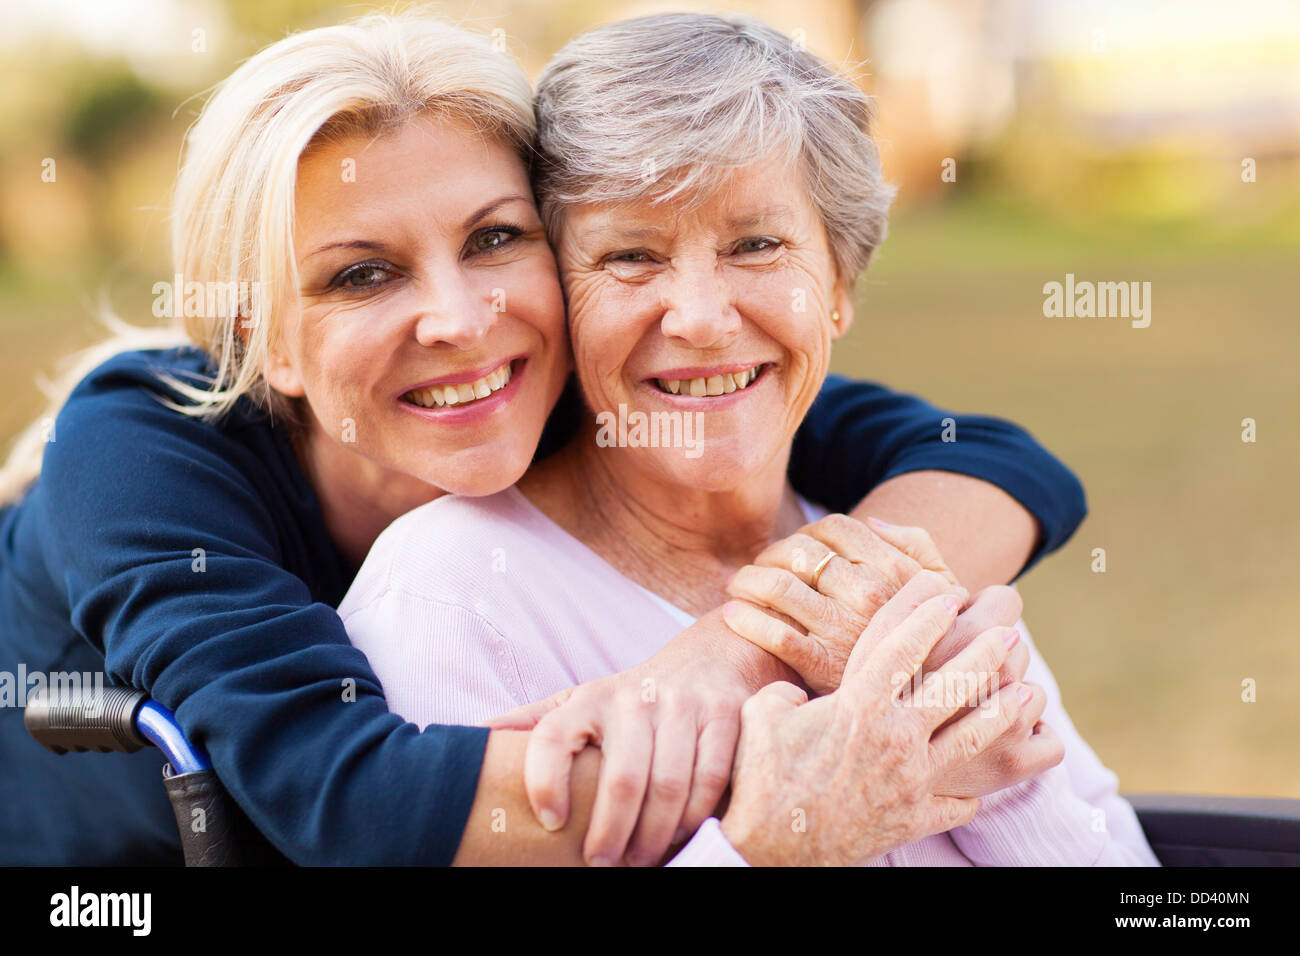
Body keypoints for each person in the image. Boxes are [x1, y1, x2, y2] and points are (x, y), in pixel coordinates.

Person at [0, 13, 1084, 865]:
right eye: (361, 273)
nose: (462, 321)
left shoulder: (560, 375)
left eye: (495, 239)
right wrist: (785, 790)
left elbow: (996, 463)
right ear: (264, 338)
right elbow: (355, 808)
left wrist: (729, 654)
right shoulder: (137, 452)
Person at [342, 12, 1157, 865]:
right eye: (630, 256)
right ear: (556, 296)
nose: (699, 318)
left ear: (839, 283)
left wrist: (968, 735)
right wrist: (776, 843)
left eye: (757, 244)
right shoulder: (449, 598)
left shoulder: (898, 555)